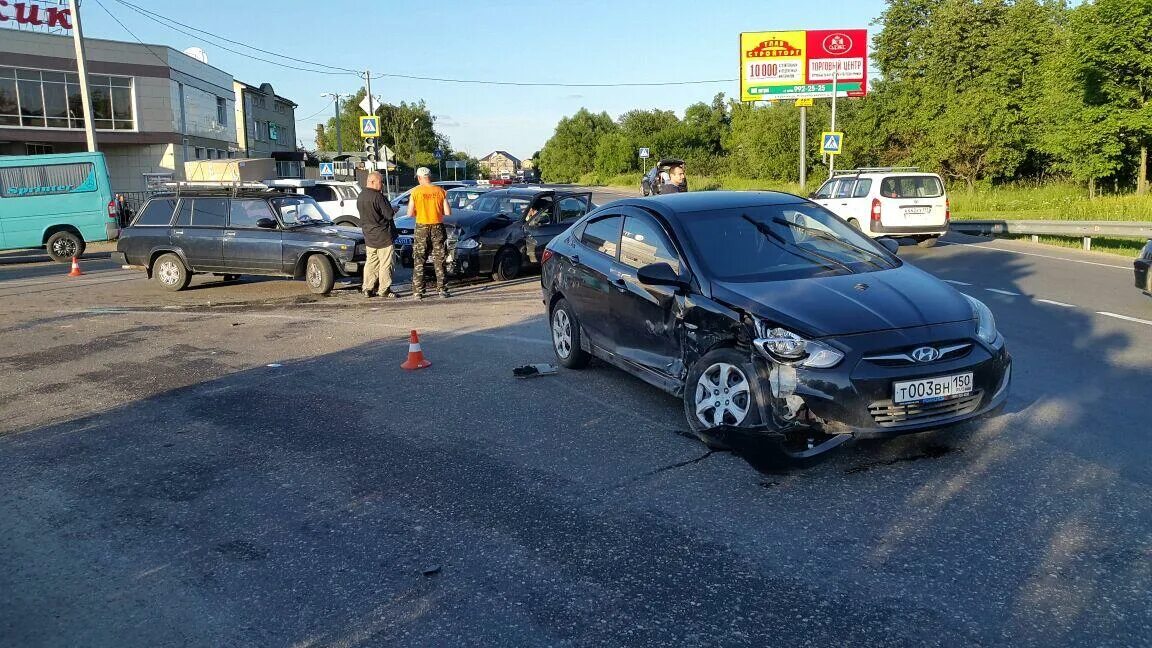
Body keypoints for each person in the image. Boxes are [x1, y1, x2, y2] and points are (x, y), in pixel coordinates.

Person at [408, 167, 452, 299]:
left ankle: (418, 291)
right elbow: (448, 212)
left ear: (419, 178)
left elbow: (409, 213)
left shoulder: (415, 192)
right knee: (439, 258)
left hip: (421, 227)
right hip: (437, 226)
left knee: (419, 258)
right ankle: (442, 290)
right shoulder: (440, 191)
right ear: (430, 176)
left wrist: (419, 212)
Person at [356, 171, 397, 299]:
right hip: (383, 236)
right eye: (380, 182)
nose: (382, 184)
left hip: (369, 236)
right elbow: (389, 214)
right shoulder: (378, 197)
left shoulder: (361, 196)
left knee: (371, 263)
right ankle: (384, 289)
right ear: (372, 182)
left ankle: (367, 288)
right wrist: (394, 209)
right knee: (385, 264)